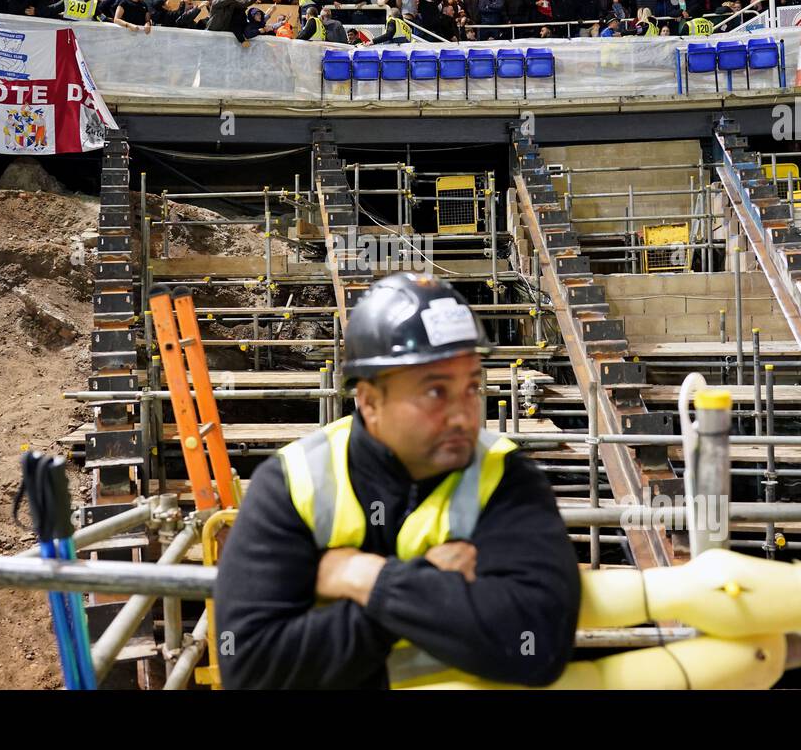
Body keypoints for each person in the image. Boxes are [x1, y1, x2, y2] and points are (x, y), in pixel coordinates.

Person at [214, 273, 581, 689]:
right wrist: (428, 583)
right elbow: (250, 671)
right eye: (435, 392)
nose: (464, 415)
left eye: (472, 388)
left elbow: (537, 646)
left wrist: (366, 578)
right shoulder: (295, 484)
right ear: (369, 401)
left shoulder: (504, 476)